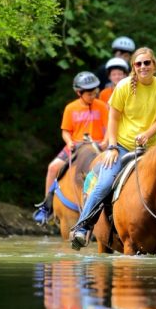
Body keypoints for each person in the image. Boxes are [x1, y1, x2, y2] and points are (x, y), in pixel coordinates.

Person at [69, 47, 156, 249]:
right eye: (139, 63)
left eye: (147, 63)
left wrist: (147, 134)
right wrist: (111, 147)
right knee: (104, 182)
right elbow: (113, 118)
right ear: (133, 67)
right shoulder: (123, 87)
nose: (143, 67)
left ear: (154, 66)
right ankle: (82, 227)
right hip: (122, 146)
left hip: (152, 148)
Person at [32, 72, 109, 225]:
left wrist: (106, 142)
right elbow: (65, 131)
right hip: (76, 145)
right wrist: (69, 142)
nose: (93, 95)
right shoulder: (70, 108)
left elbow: (109, 128)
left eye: (95, 92)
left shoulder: (102, 106)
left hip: (97, 146)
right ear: (79, 92)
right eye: (89, 93)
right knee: (53, 167)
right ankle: (47, 206)